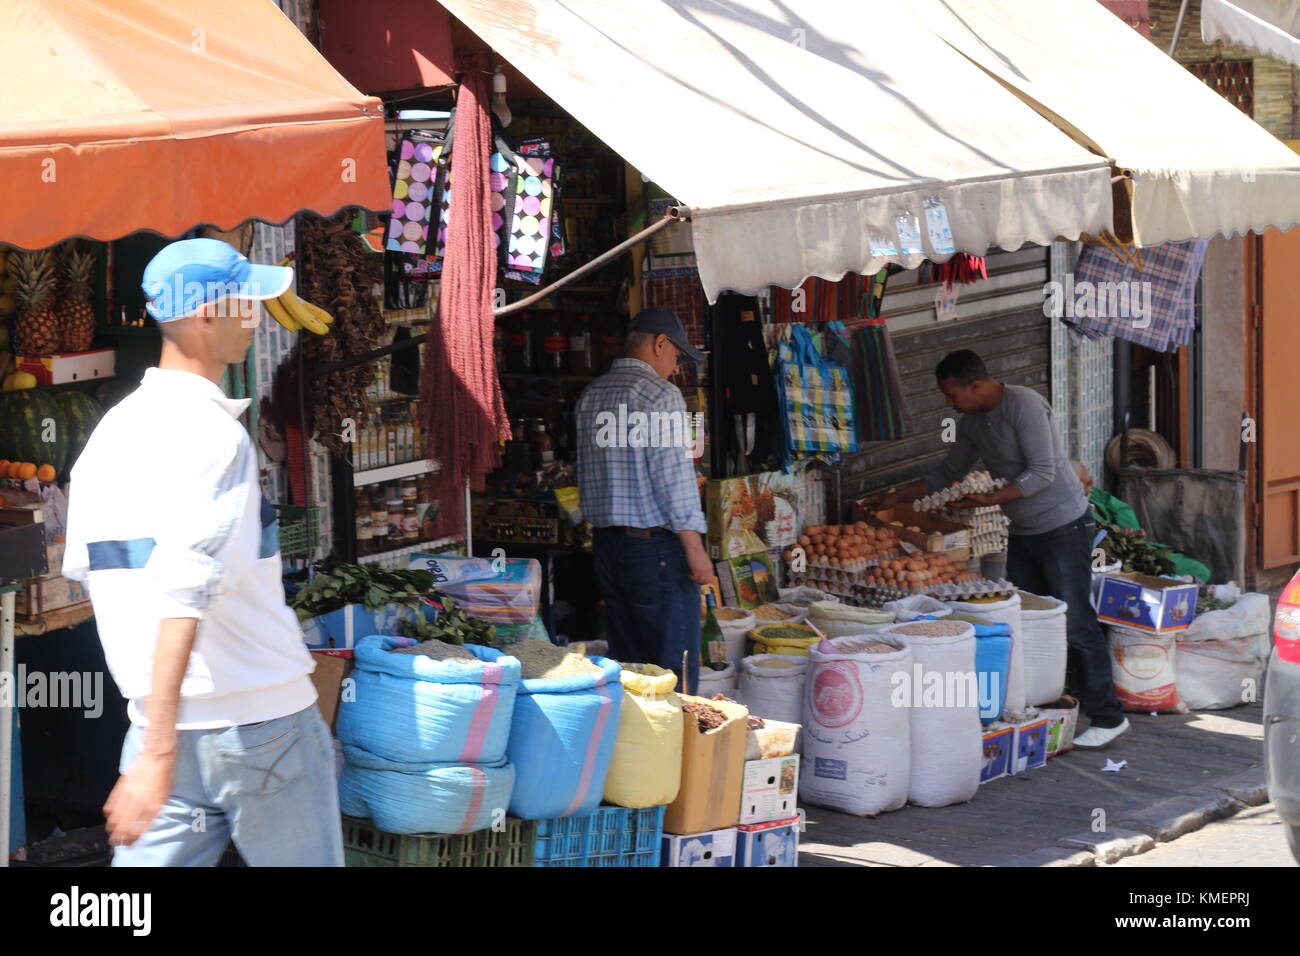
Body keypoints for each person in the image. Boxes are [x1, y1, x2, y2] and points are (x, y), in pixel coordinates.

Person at [62, 238, 342, 865]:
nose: (254, 317)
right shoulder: (214, 436)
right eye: (244, 301)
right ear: (206, 313)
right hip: (256, 725)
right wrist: (159, 746)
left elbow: (103, 582)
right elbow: (181, 590)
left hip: (160, 729)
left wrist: (155, 736)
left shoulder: (111, 434)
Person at [865, 349, 1128, 750]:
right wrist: (895, 497)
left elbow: (1042, 471)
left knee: (1075, 621)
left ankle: (1109, 717)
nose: (948, 403)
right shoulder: (971, 422)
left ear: (975, 384)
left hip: (1064, 525)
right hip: (1023, 529)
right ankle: (1054, 700)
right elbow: (950, 473)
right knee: (1023, 620)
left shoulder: (1024, 405)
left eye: (951, 395)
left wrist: (987, 501)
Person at [576, 307, 713, 693]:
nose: (675, 366)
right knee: (673, 669)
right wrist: (695, 547)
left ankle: (640, 747)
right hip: (655, 551)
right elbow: (673, 476)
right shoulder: (660, 394)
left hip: (608, 546)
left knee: (630, 667)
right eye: (676, 356)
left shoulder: (592, 394)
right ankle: (680, 749)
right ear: (659, 344)